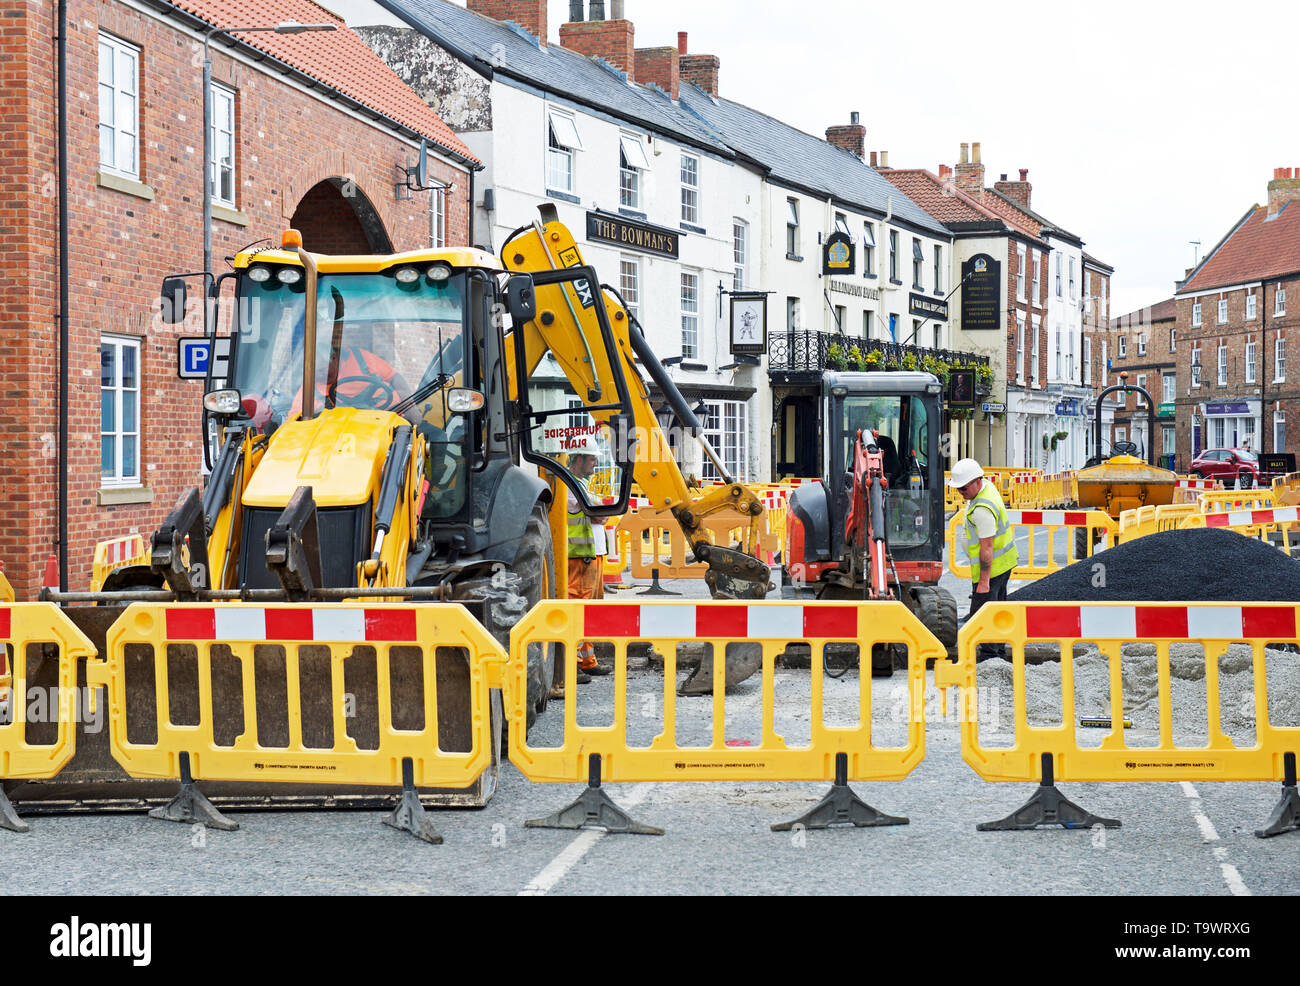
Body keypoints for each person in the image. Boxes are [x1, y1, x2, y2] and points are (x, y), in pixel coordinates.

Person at [555, 435, 610, 697]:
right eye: (590, 458)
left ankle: (587, 661)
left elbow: (601, 513)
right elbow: (597, 513)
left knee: (588, 610)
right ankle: (571, 664)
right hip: (579, 556)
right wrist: (601, 511)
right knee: (576, 608)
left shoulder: (583, 483)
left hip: (592, 554)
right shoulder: (569, 484)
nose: (594, 463)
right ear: (577, 458)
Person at [948, 458, 1017, 660]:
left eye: (963, 487)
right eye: (958, 488)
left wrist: (984, 582)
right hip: (1003, 564)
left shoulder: (982, 509)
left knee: (982, 615)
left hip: (992, 569)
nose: (961, 492)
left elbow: (987, 548)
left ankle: (989, 658)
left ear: (977, 481)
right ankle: (998, 653)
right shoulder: (986, 489)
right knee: (997, 610)